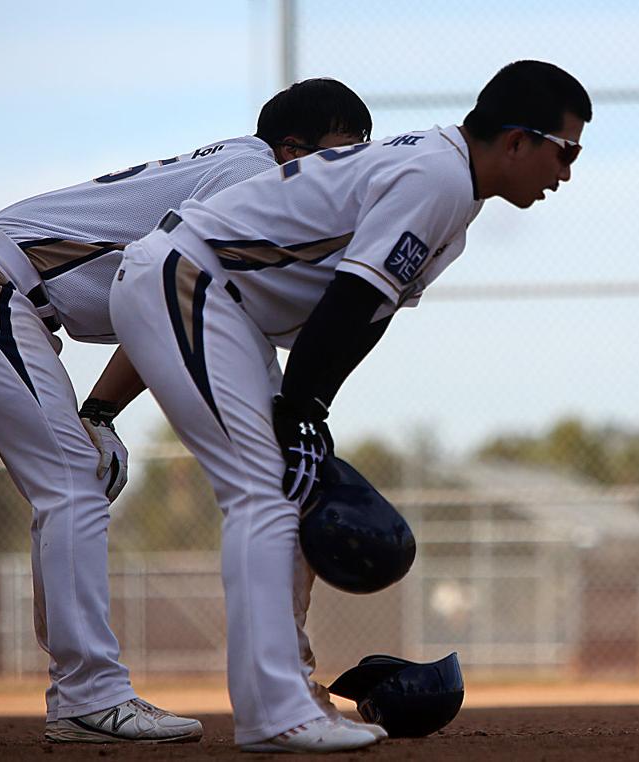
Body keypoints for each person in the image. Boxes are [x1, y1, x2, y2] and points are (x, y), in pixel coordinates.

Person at [108, 59, 591, 753]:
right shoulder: (440, 177)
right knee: (262, 493)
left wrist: (312, 410)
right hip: (187, 278)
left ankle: (290, 699)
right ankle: (273, 712)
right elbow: (351, 301)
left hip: (220, 301)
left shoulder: (454, 187)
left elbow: (369, 312)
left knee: (285, 487)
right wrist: (302, 406)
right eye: (563, 150)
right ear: (517, 140)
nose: (566, 172)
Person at [0, 78, 373, 744]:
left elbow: (158, 304)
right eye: (342, 154)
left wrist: (99, 412)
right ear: (291, 149)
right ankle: (87, 694)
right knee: (71, 478)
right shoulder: (252, 173)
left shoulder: (247, 177)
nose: (354, 171)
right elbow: (166, 285)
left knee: (79, 475)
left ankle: (93, 693)